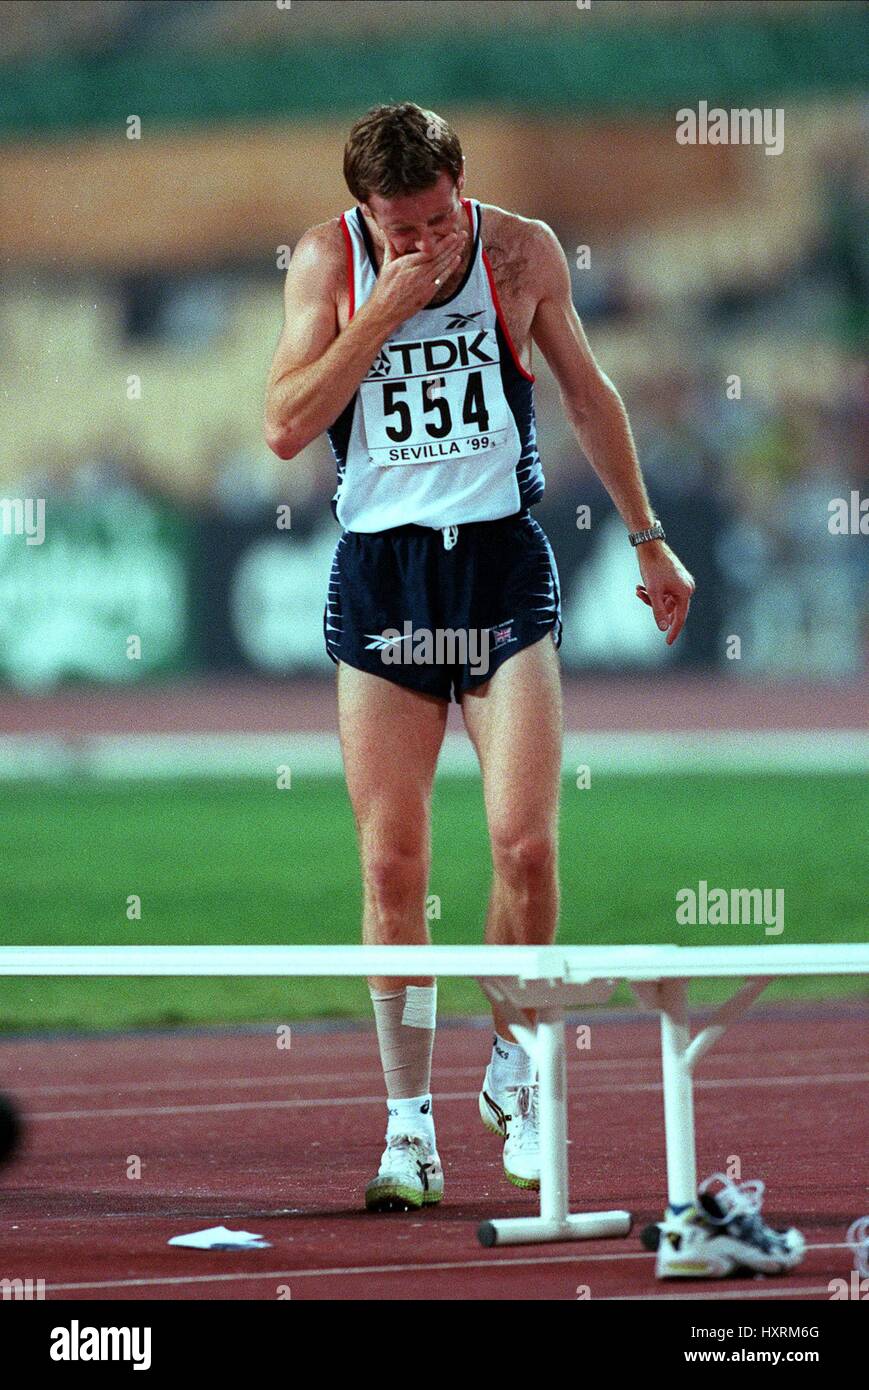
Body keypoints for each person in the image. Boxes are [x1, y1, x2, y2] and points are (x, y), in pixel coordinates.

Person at [264, 102, 695, 1211]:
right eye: (393, 227)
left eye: (431, 220)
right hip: (384, 576)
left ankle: (513, 1063)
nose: (417, 243)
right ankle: (407, 1127)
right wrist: (387, 307)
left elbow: (589, 397)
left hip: (498, 567)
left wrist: (648, 540)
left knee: (523, 849)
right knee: (391, 865)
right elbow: (283, 421)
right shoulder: (329, 260)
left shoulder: (520, 250)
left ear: (461, 184)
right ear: (363, 212)